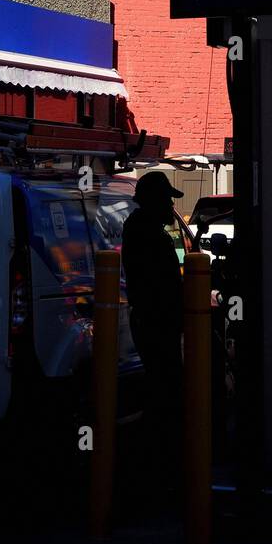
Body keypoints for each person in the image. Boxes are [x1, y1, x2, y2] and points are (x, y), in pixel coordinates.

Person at [121, 170, 185, 440]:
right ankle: (161, 442)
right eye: (167, 199)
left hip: (154, 320)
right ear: (153, 201)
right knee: (166, 382)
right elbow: (161, 282)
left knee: (163, 381)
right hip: (155, 321)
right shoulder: (148, 234)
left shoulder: (144, 229)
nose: (172, 206)